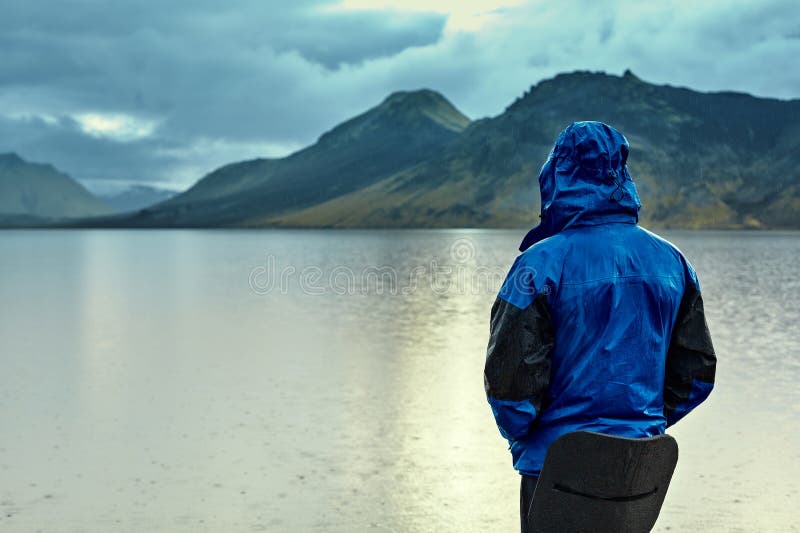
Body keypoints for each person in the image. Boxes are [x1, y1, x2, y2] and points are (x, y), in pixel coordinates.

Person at [483, 121, 717, 532]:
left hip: (557, 469)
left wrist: (528, 435)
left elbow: (509, 384)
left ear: (557, 175)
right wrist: (638, 423)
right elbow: (696, 374)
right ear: (622, 175)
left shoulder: (539, 264)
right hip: (640, 469)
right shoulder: (673, 263)